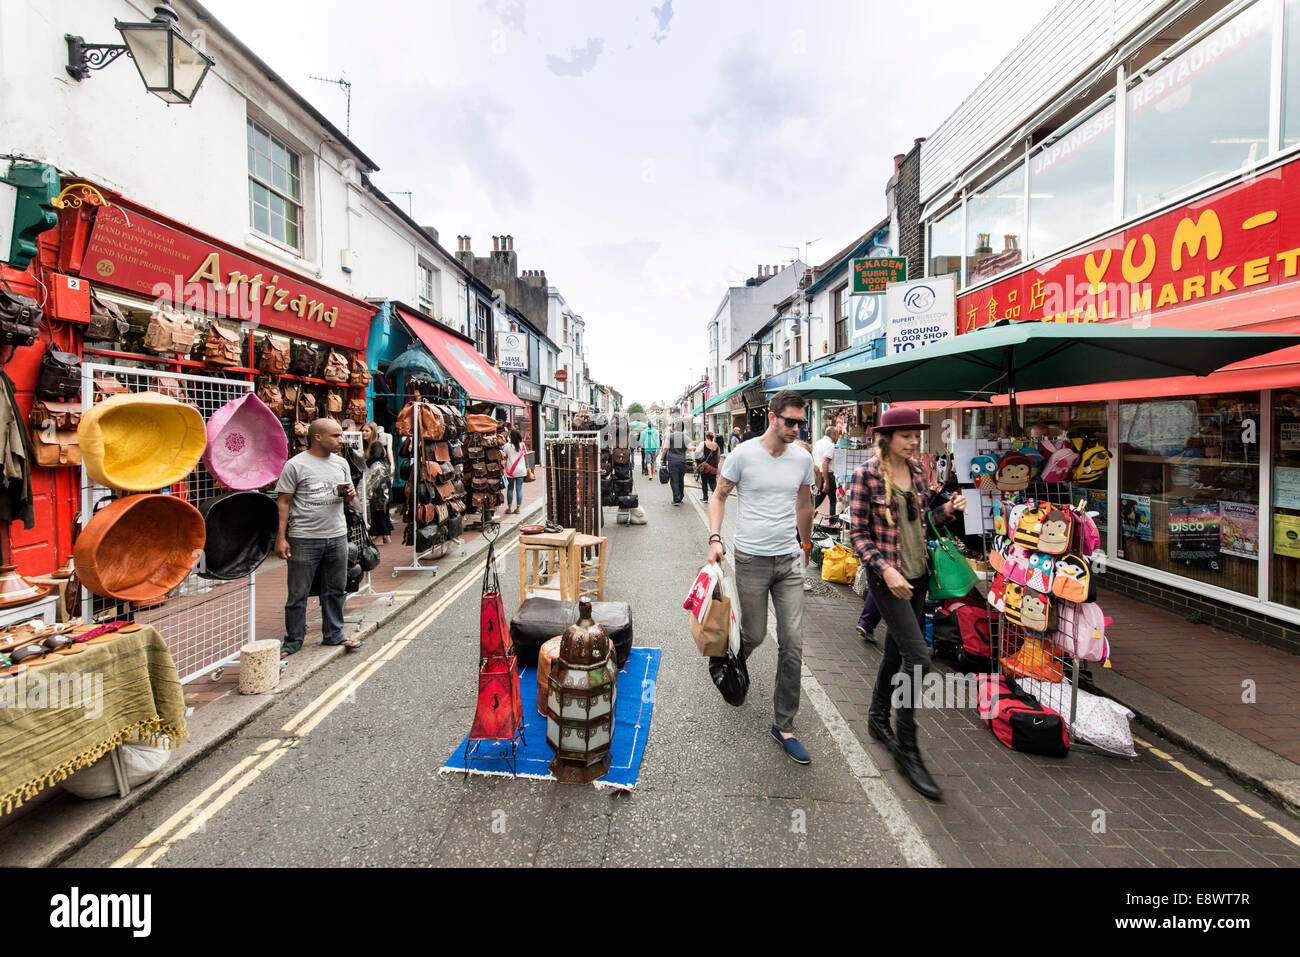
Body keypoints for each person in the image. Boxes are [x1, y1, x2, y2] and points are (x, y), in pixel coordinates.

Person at [849, 406, 966, 801]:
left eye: (916, 435)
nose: (914, 441)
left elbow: (922, 518)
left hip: (919, 575)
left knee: (898, 651)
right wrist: (886, 571)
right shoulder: (865, 474)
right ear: (887, 438)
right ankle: (906, 745)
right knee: (919, 657)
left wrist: (947, 510)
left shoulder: (918, 472)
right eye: (906, 435)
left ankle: (877, 717)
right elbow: (858, 534)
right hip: (890, 579)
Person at [708, 390, 816, 764]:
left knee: (793, 641)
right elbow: (719, 496)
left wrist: (806, 545)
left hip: (788, 560)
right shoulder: (742, 455)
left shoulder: (803, 458)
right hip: (752, 559)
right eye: (790, 421)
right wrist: (715, 538)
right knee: (754, 634)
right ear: (771, 417)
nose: (796, 428)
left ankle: (783, 724)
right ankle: (728, 662)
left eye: (801, 422)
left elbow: (804, 503)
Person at [275, 418, 363, 658]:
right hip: (304, 537)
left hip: (336, 534)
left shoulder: (341, 463)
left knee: (335, 589)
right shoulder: (295, 465)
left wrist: (351, 495)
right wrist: (281, 537)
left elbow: (350, 500)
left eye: (340, 435)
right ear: (317, 437)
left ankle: (334, 633)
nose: (341, 440)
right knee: (298, 592)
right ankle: (293, 640)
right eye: (335, 436)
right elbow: (283, 501)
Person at [362, 421, 392, 544]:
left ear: (373, 432)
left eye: (366, 431)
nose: (364, 433)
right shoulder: (370, 445)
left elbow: (376, 456)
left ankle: (380, 534)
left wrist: (363, 466)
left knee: (378, 506)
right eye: (363, 431)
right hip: (379, 479)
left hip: (379, 481)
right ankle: (385, 534)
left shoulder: (376, 445)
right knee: (379, 507)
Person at [812, 425, 840, 515]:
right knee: (832, 501)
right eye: (837, 435)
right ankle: (832, 523)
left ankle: (807, 513)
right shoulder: (830, 445)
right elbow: (825, 463)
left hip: (818, 475)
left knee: (818, 499)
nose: (838, 438)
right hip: (827, 475)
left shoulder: (817, 443)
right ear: (833, 434)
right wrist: (826, 482)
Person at [660, 419, 690, 504]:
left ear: (675, 428)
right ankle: (681, 495)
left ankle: (676, 497)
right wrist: (694, 460)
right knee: (681, 479)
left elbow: (665, 448)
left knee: (674, 480)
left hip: (672, 462)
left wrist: (662, 458)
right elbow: (690, 449)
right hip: (683, 461)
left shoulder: (670, 436)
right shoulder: (686, 437)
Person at [503, 428, 528, 514]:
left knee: (510, 489)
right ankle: (518, 508)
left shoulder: (507, 446)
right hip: (521, 470)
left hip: (511, 471)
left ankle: (509, 508)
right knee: (519, 489)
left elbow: (504, 455)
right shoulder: (522, 445)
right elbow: (525, 454)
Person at [696, 431, 721, 503]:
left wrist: (699, 459)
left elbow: (697, 452)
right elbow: (718, 457)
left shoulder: (703, 443)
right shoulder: (717, 446)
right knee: (713, 482)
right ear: (712, 437)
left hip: (706, 466)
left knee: (704, 481)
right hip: (714, 466)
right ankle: (716, 498)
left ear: (706, 437)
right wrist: (715, 464)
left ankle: (705, 498)